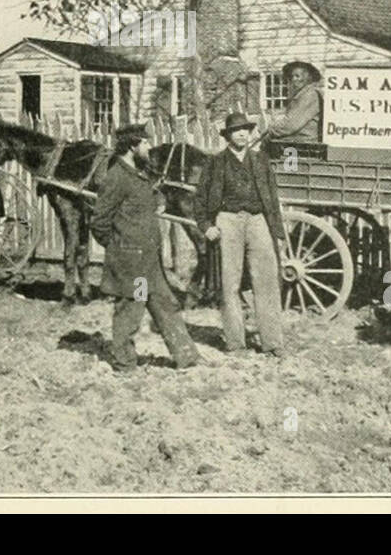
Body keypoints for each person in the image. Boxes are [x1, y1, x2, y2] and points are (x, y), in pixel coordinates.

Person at [90, 125, 200, 372]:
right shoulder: (117, 177)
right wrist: (120, 246)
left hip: (149, 260)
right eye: (145, 144)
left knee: (165, 303)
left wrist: (158, 202)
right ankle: (124, 363)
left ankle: (187, 357)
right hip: (134, 262)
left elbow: (146, 198)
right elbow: (99, 222)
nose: (149, 148)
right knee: (132, 308)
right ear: (132, 146)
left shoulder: (137, 174)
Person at [194, 112, 288, 357]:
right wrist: (207, 226)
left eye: (246, 129)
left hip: (258, 221)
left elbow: (273, 198)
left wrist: (277, 231)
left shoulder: (261, 161)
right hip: (228, 221)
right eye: (237, 130)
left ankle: (273, 342)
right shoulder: (215, 163)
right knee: (229, 284)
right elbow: (200, 199)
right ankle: (236, 343)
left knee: (266, 281)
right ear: (228, 136)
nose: (242, 134)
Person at [266, 61, 324, 142]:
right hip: (299, 137)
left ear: (308, 78)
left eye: (297, 76)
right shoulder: (303, 94)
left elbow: (290, 126)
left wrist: (270, 129)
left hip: (305, 140)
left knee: (267, 140)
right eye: (291, 77)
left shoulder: (309, 95)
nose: (294, 79)